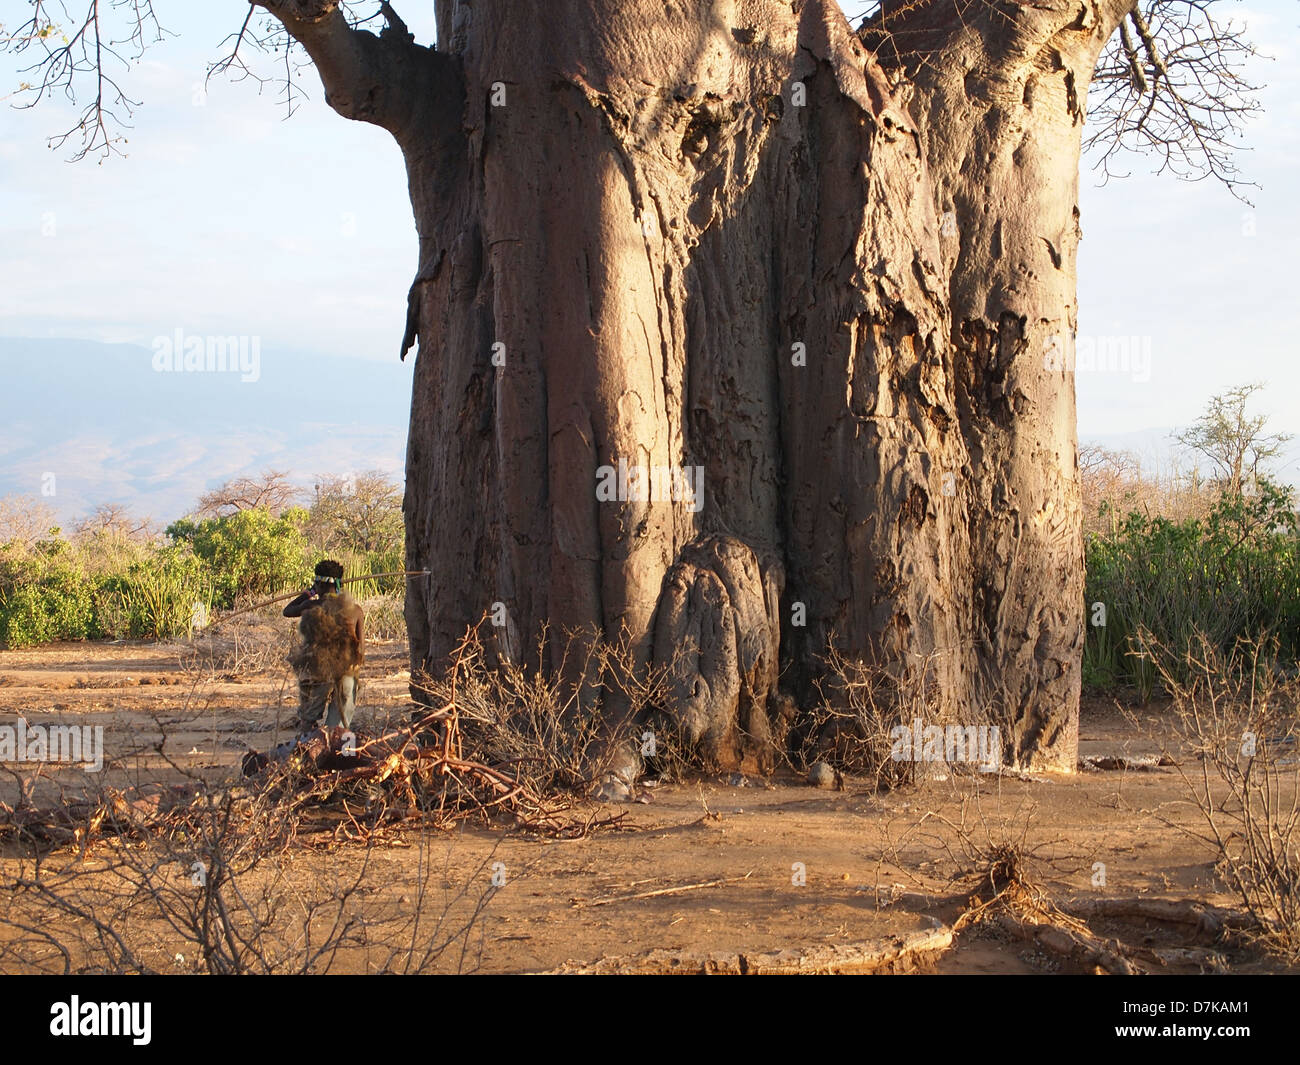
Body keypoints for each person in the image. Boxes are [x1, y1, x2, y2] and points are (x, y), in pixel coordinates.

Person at [283, 560, 365, 736]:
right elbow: (361, 649)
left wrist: (307, 593)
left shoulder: (311, 606)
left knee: (309, 718)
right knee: (341, 723)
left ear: (318, 584)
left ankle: (306, 750)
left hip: (318, 670)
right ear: (338, 585)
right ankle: (338, 753)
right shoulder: (356, 610)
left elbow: (288, 611)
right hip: (348, 671)